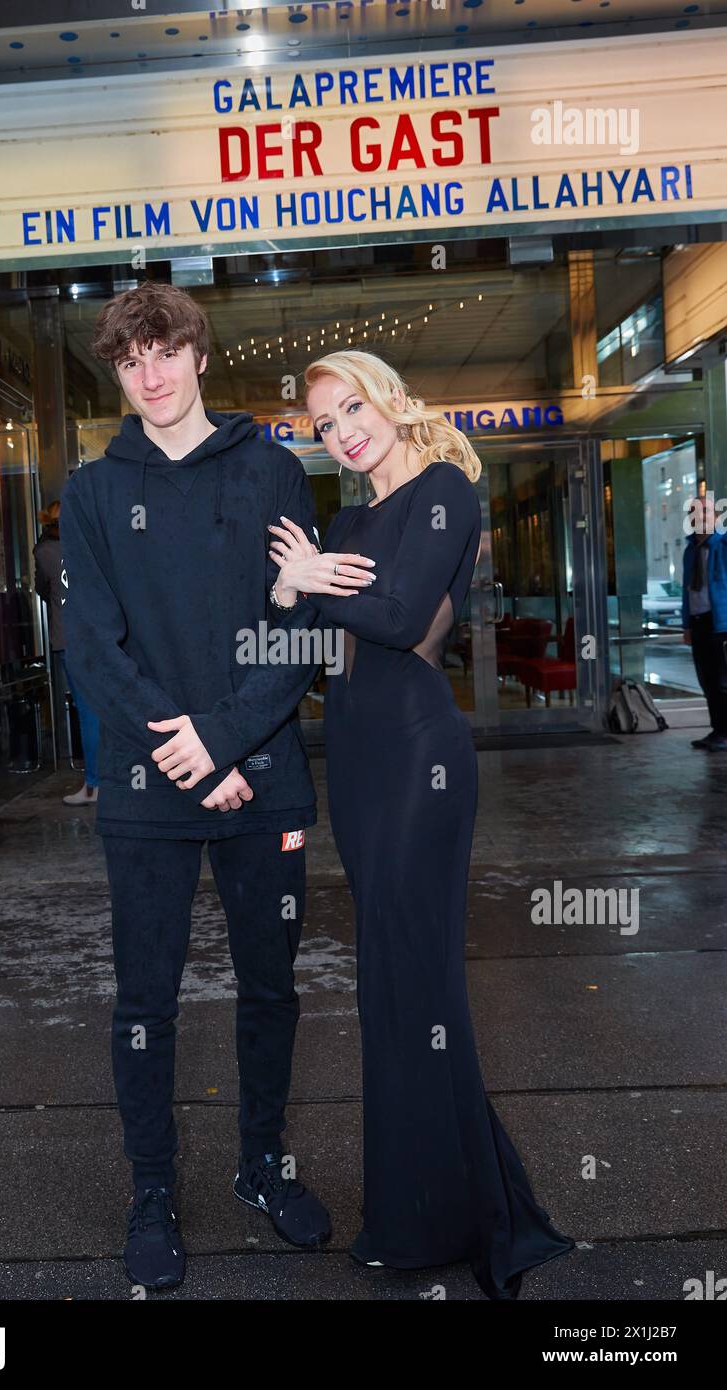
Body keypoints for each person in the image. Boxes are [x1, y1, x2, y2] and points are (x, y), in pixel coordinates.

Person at [58, 284, 371, 1292]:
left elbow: (301, 631)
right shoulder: (97, 492)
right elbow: (93, 650)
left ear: (198, 354)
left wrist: (227, 742)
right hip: (150, 789)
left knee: (271, 989)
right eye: (129, 362)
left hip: (264, 780)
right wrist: (183, 752)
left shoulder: (276, 472)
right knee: (144, 999)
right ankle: (152, 1189)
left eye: (163, 353)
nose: (148, 376)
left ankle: (261, 1167)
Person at [266, 349, 576, 1299]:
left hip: (418, 759)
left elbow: (401, 621)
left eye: (350, 407)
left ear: (388, 398)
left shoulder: (445, 489)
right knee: (391, 991)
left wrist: (308, 578)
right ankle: (418, 1209)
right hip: (356, 761)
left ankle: (461, 1217)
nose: (342, 431)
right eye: (323, 424)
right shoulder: (353, 515)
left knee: (422, 986)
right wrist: (297, 590)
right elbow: (309, 635)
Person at [34, 499, 102, 804]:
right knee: (104, 712)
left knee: (88, 713)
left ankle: (94, 785)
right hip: (101, 638)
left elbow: (43, 590)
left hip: (70, 640)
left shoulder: (46, 551)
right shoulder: (92, 544)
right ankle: (113, 783)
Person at [682, 492, 727, 752]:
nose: (702, 517)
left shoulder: (723, 545)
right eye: (696, 513)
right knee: (707, 680)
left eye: (707, 512)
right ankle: (717, 730)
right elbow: (688, 591)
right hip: (699, 623)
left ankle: (725, 732)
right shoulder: (690, 551)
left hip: (720, 624)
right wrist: (686, 625)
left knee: (723, 681)